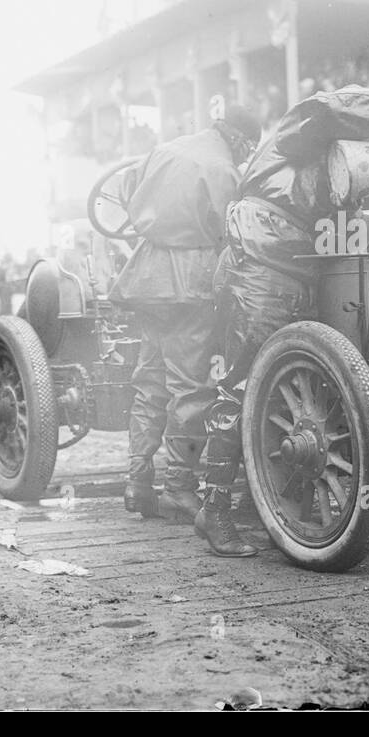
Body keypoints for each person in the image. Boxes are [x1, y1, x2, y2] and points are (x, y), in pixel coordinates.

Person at [196, 86, 369, 557]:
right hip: (262, 267)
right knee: (244, 385)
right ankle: (215, 508)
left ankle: (259, 498)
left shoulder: (326, 170)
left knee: (300, 384)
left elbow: (346, 212)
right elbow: (325, 107)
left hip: (295, 266)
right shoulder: (297, 134)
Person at [109, 105, 262, 522]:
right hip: (189, 282)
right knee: (191, 387)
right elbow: (232, 230)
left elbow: (125, 191)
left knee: (149, 382)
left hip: (146, 276)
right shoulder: (224, 169)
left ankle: (137, 482)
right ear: (241, 140)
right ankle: (179, 485)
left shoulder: (165, 150)